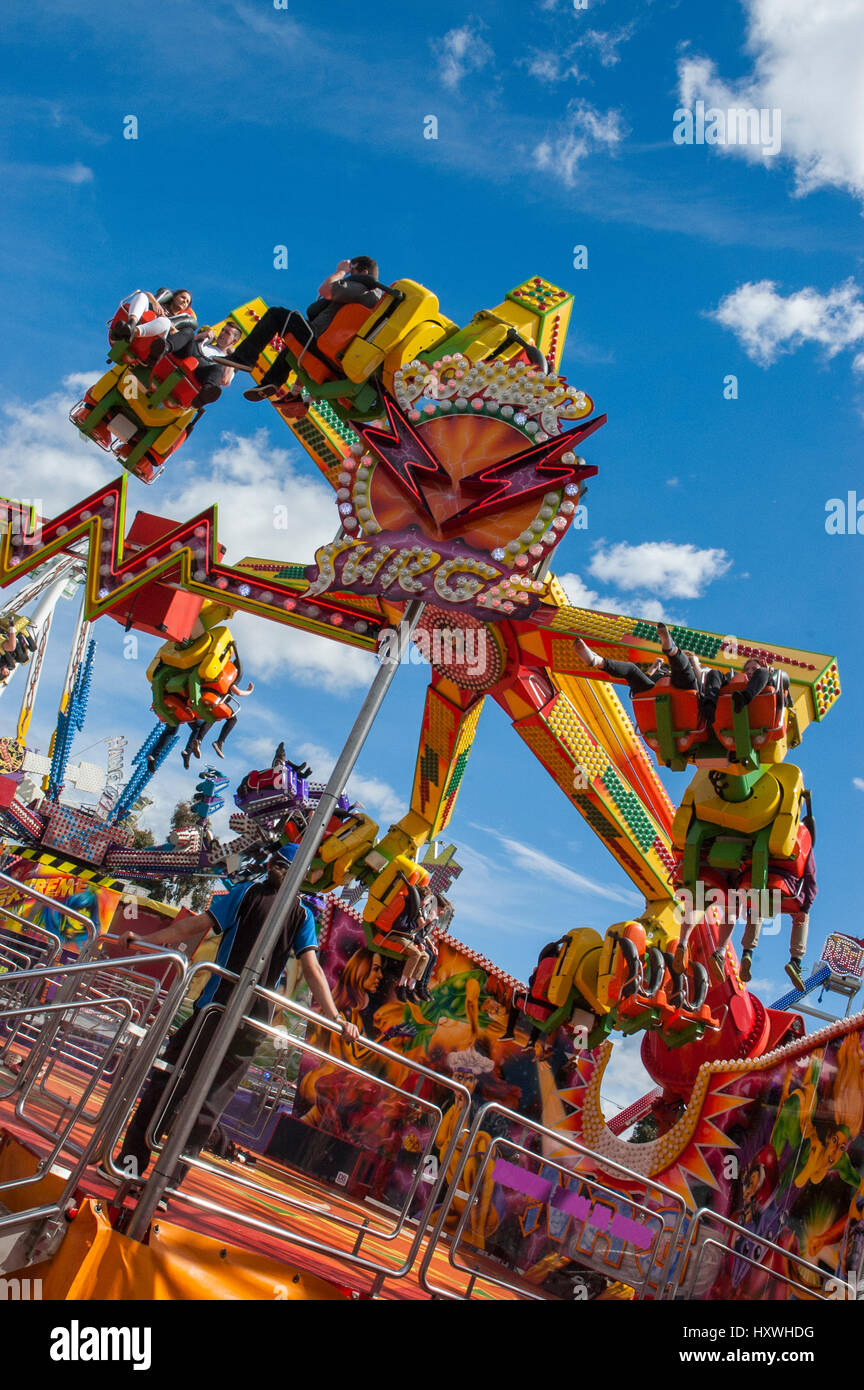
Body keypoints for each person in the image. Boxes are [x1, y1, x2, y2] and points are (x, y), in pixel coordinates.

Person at [118, 847, 359, 1185]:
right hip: (227, 1013)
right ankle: (149, 1174)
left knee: (188, 1093)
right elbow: (197, 925)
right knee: (180, 1087)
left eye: (283, 865)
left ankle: (156, 1177)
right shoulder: (259, 898)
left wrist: (337, 1018)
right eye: (279, 864)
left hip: (229, 1014)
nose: (277, 869)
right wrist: (145, 941)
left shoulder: (295, 913)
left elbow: (312, 967)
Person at [213, 257, 383, 406]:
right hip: (332, 355)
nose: (349, 273)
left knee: (276, 315)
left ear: (363, 271)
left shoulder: (362, 287)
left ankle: (244, 358)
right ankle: (273, 382)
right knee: (295, 340)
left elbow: (325, 290)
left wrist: (340, 271)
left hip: (319, 341)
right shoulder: (376, 301)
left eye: (352, 270)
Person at [111, 288, 198, 364]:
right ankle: (131, 324)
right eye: (183, 297)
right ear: (174, 297)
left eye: (187, 302)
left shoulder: (180, 321)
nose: (184, 302)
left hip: (152, 341)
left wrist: (171, 326)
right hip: (141, 321)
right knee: (142, 296)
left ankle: (133, 331)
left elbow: (177, 335)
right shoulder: (160, 303)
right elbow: (147, 294)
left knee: (165, 322)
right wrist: (155, 303)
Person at [186, 320, 243, 406]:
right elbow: (188, 344)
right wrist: (202, 336)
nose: (222, 333)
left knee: (218, 368)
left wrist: (232, 359)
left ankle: (202, 397)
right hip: (188, 359)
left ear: (234, 341)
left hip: (200, 374)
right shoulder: (206, 343)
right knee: (188, 332)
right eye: (222, 330)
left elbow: (225, 381)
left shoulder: (228, 361)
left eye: (227, 333)